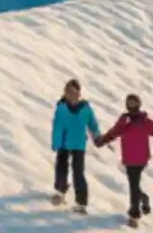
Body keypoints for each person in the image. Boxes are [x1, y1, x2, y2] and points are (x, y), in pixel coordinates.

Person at [96, 94, 153, 227]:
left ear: (138, 105)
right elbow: (114, 132)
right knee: (134, 184)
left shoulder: (144, 121)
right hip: (130, 159)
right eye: (129, 104)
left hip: (140, 159)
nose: (131, 107)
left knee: (133, 186)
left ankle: (134, 215)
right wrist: (102, 140)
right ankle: (143, 198)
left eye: (133, 104)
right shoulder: (124, 121)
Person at [50, 79, 102, 214]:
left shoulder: (85, 108)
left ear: (79, 93)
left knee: (78, 172)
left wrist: (97, 136)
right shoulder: (61, 107)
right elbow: (57, 126)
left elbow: (92, 124)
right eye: (67, 92)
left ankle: (81, 203)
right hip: (64, 143)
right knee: (61, 167)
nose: (70, 95)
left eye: (73, 92)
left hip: (79, 144)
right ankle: (60, 192)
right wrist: (56, 142)